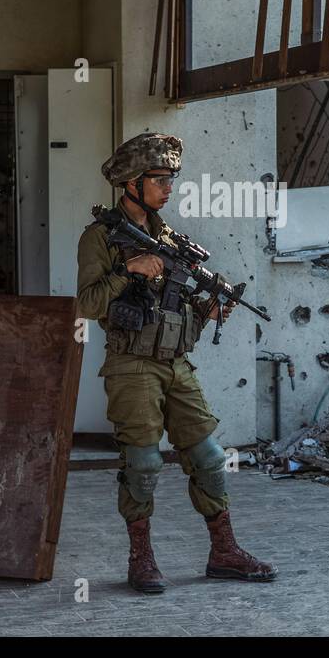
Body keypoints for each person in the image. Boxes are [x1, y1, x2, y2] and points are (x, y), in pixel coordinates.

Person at [76, 132, 277, 594]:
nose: (169, 187)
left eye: (171, 179)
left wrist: (205, 312)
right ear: (131, 182)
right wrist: (130, 269)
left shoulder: (167, 238)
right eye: (160, 179)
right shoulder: (101, 238)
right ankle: (140, 559)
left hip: (176, 364)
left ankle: (224, 552)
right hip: (132, 366)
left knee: (209, 458)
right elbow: (85, 305)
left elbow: (175, 308)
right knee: (143, 463)